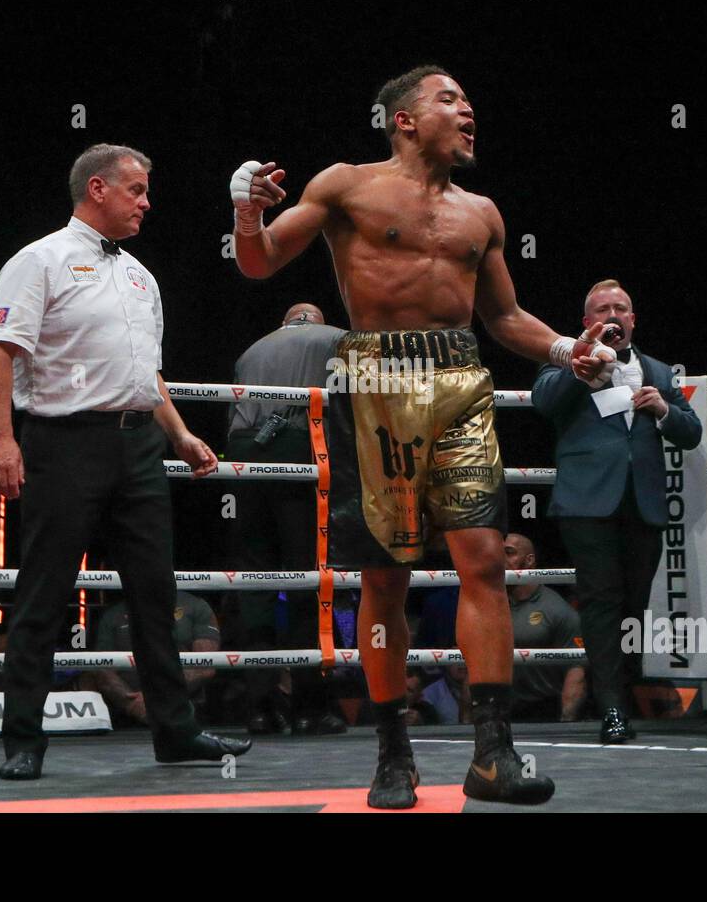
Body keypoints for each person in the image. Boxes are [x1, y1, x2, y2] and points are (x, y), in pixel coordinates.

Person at [230, 65, 603, 807]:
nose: (468, 111)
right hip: (376, 383)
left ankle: (493, 754)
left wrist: (567, 349)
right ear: (403, 118)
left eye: (469, 100)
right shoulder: (346, 185)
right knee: (384, 577)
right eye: (450, 100)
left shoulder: (483, 213)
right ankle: (391, 754)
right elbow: (260, 260)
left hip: (461, 379)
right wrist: (246, 211)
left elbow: (502, 318)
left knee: (485, 561)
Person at [0, 143, 250, 780]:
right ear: (97, 189)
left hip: (139, 446)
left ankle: (175, 733)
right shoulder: (38, 260)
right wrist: (0, 439)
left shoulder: (139, 275)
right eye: (136, 190)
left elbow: (145, 372)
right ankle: (23, 740)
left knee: (156, 596)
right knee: (44, 593)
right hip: (63, 441)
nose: (147, 203)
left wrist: (179, 433)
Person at [532, 280, 701, 742]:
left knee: (634, 607)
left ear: (633, 319)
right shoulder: (569, 358)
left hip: (642, 502)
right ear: (588, 322)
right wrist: (581, 368)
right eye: (603, 309)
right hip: (588, 502)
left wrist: (664, 408)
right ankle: (611, 709)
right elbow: (543, 402)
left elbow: (691, 433)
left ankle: (621, 697)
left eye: (621, 308)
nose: (613, 314)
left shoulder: (659, 371)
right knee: (602, 602)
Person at [226, 303, 348, 736]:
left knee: (254, 580)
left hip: (241, 453)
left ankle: (259, 707)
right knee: (309, 578)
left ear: (284, 322)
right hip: (298, 448)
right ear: (315, 320)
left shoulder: (252, 349)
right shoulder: (333, 337)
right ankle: (312, 705)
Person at [84, 592, 220, 727]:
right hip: (130, 714)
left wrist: (156, 696)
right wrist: (131, 703)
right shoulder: (113, 615)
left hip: (185, 711)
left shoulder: (195, 606)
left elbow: (205, 666)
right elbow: (102, 668)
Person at [502, 533, 587, 722]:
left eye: (509, 553)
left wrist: (566, 722)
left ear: (529, 560)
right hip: (499, 707)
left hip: (541, 709)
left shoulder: (557, 610)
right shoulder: (490, 606)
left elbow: (576, 670)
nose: (502, 560)